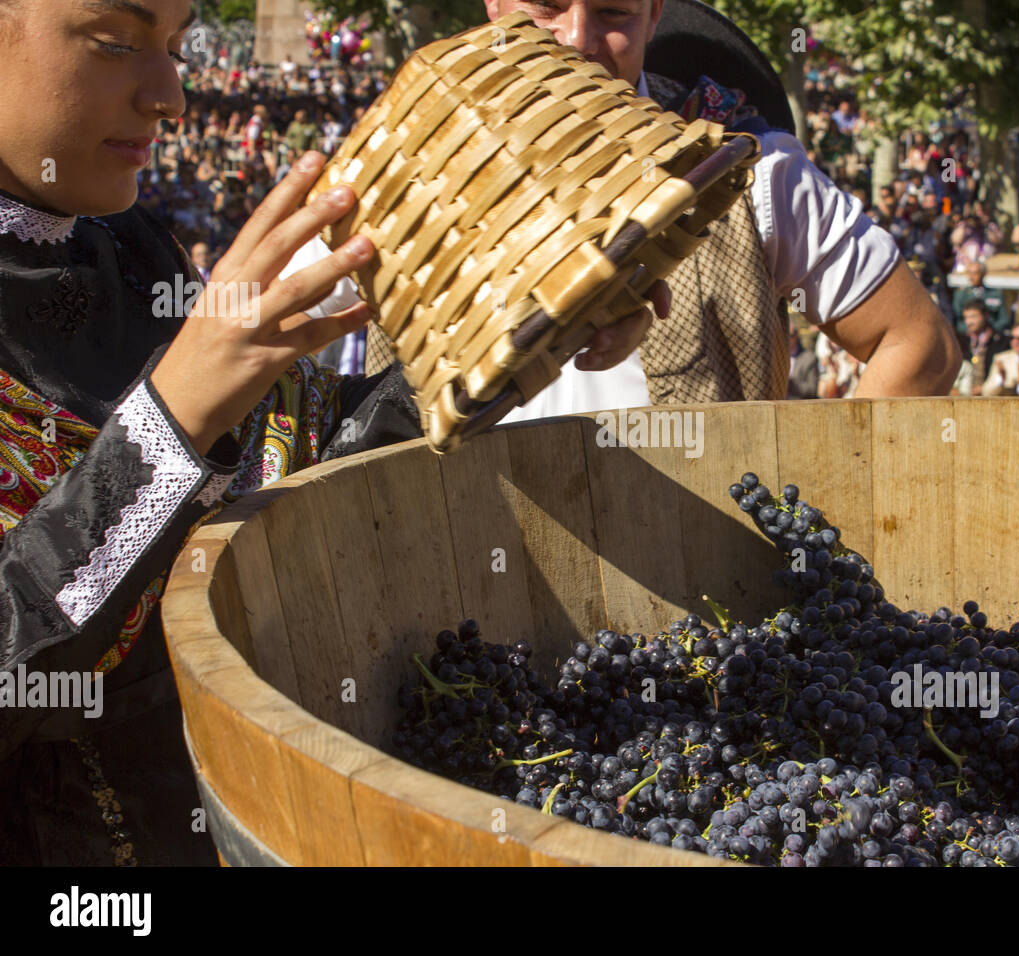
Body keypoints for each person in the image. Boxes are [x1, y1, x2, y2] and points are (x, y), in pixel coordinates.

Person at [0, 0, 662, 865]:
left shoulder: (128, 247)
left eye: (176, 46)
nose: (171, 98)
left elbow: (305, 459)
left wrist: (521, 338)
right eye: (119, 43)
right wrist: (173, 425)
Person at [471, 0, 959, 420]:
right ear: (493, 4)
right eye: (545, 5)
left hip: (697, 530)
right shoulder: (411, 170)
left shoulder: (750, 171)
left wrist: (811, 515)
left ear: (653, 11)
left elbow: (919, 344)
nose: (577, 40)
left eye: (613, 11)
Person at [954, 299, 1007, 396]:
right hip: (964, 396)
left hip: (992, 396)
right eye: (966, 317)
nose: (969, 322)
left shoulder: (1000, 341)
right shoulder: (961, 341)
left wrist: (984, 388)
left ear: (985, 315)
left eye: (973, 317)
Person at [951, 260, 1011, 335]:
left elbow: (1004, 318)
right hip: (968, 336)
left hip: (992, 336)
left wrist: (992, 330)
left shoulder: (995, 294)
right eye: (969, 273)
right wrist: (968, 330)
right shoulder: (961, 294)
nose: (971, 277)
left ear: (983, 274)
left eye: (975, 273)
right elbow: (957, 318)